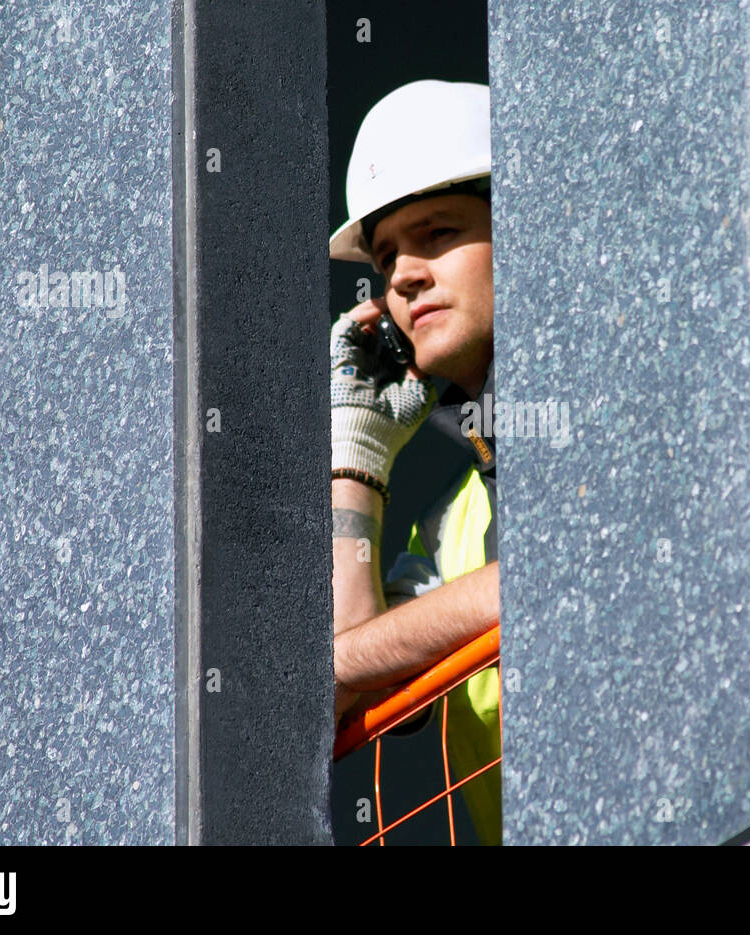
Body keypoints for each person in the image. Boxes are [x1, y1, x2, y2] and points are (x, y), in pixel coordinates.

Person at [328, 79, 502, 845]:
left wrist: (344, 659)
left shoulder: (642, 387)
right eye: (387, 253)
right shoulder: (453, 524)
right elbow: (333, 699)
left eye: (435, 233)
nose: (402, 274)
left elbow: (572, 574)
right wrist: (356, 455)